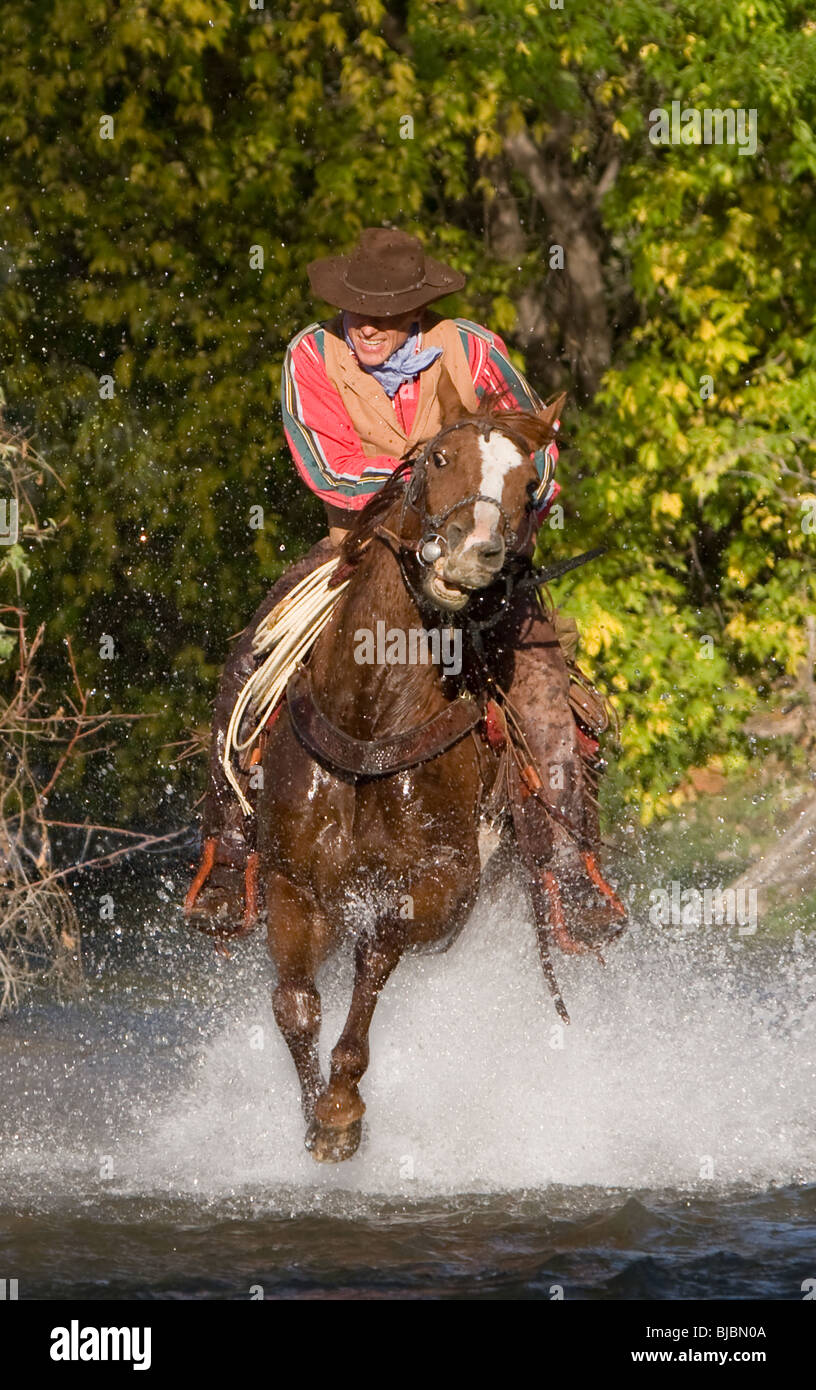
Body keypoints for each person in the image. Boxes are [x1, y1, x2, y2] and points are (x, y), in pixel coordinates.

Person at [186, 228, 620, 945]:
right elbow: (327, 469)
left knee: (547, 693)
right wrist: (422, 494)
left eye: (389, 313)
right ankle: (229, 855)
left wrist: (503, 515)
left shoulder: (475, 350)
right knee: (253, 660)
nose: (372, 327)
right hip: (358, 550)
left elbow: (535, 449)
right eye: (360, 311)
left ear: (417, 308)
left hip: (479, 551)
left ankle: (574, 877)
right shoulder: (309, 358)